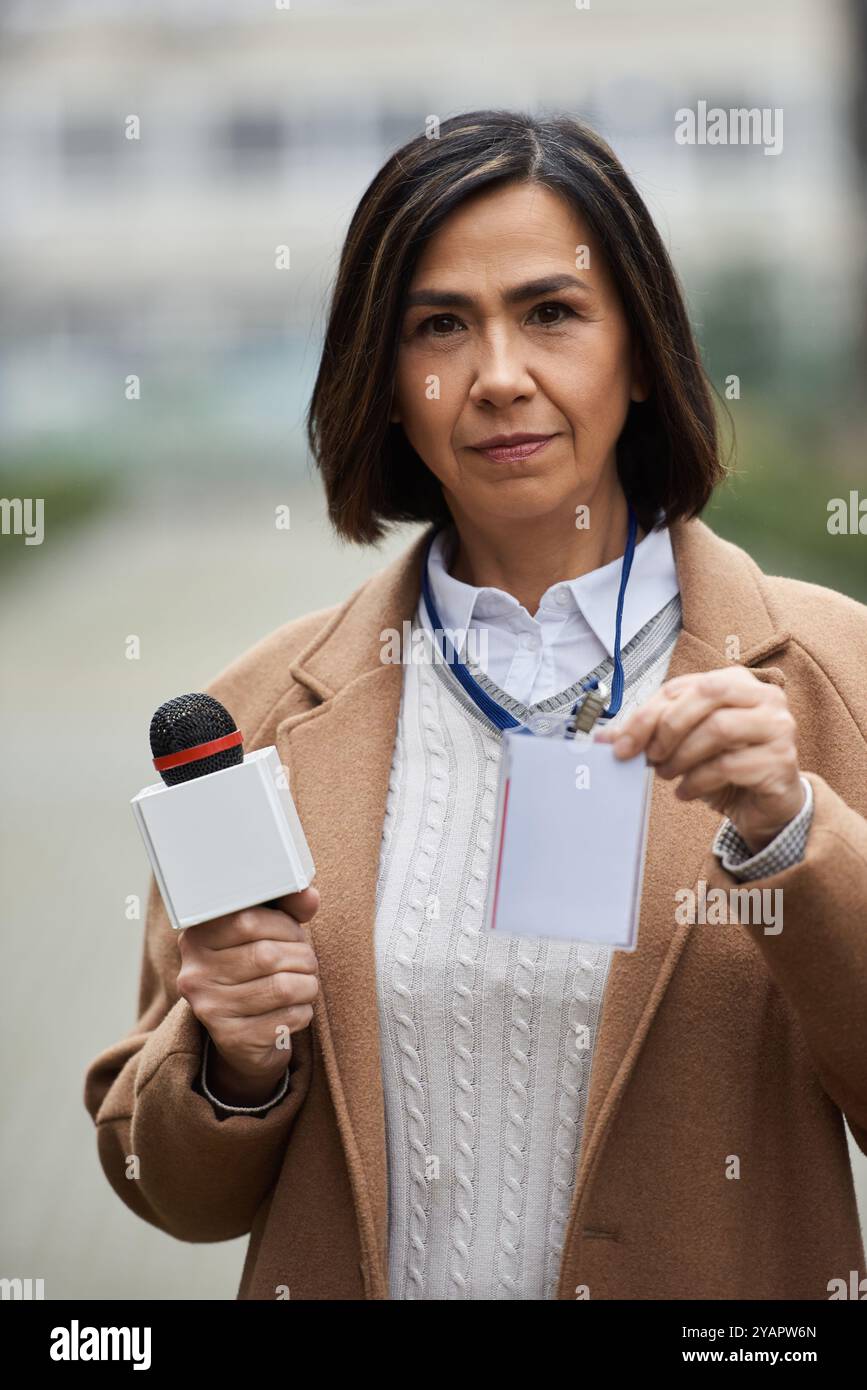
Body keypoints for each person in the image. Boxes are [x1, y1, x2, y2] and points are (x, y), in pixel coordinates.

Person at [84, 110, 867, 1301]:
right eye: (439, 326)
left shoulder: (826, 672)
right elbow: (164, 1187)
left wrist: (793, 837)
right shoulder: (256, 719)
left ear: (643, 352)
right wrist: (234, 1064)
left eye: (553, 312)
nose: (500, 377)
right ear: (385, 382)